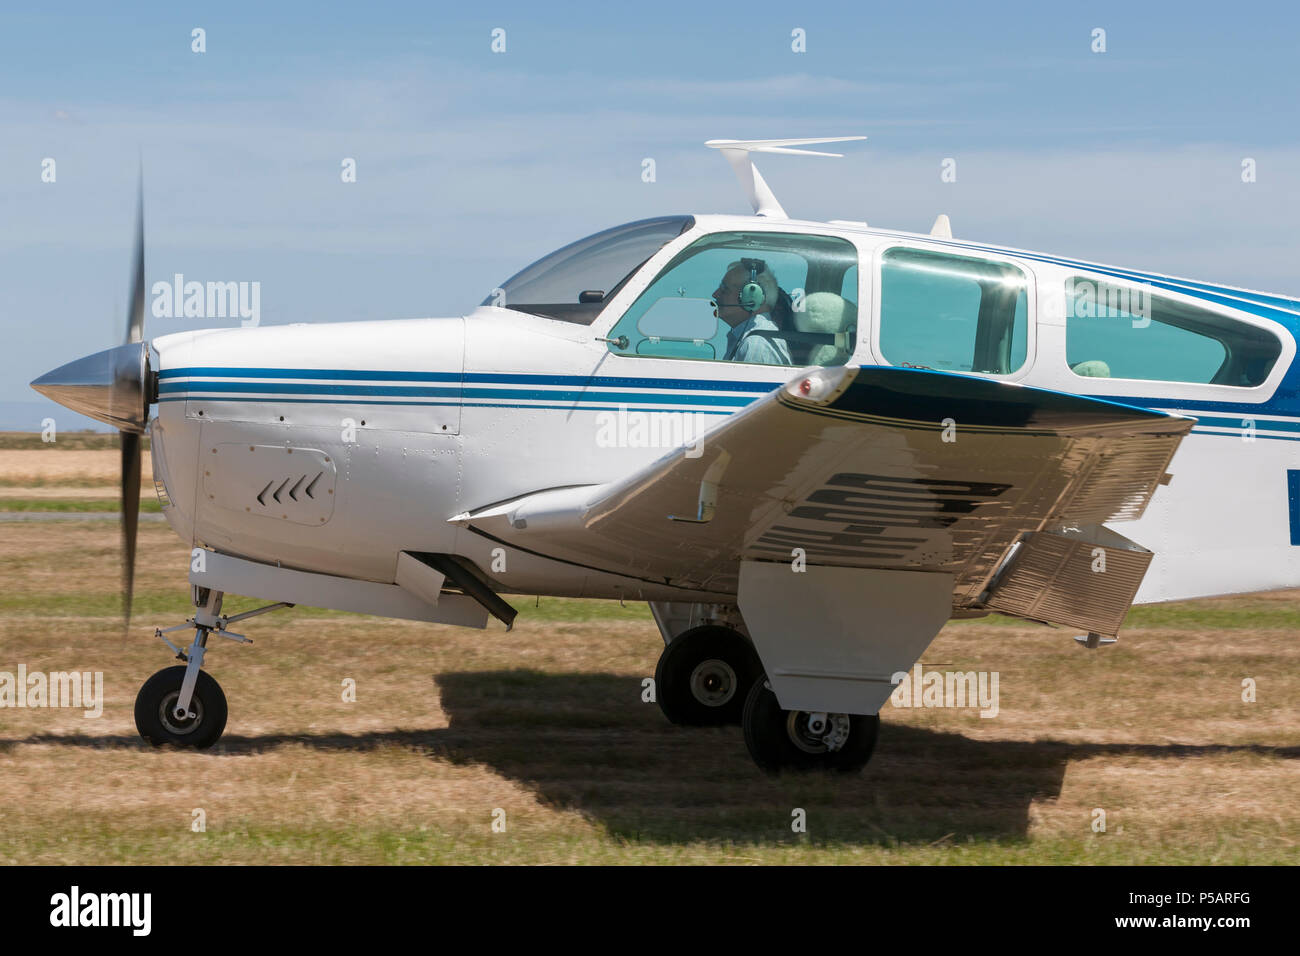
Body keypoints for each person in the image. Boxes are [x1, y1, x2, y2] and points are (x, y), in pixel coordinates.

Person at [712, 258, 792, 365]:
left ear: (752, 297)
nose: (715, 294)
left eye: (724, 289)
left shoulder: (757, 345)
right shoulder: (749, 339)